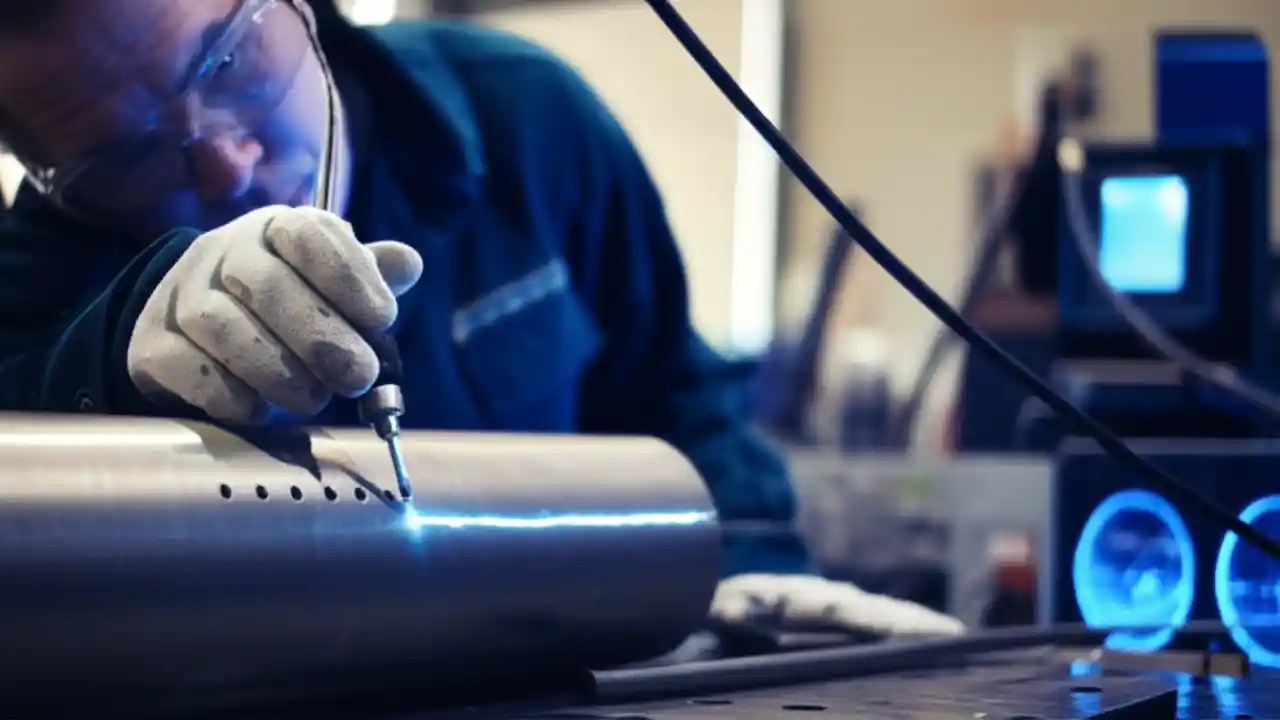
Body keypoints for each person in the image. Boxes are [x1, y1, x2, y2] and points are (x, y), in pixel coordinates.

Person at [0, 0, 961, 638]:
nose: (224, 162)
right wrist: (106, 363)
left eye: (227, 58)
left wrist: (743, 583)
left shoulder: (527, 118)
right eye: (124, 156)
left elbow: (673, 389)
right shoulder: (29, 292)